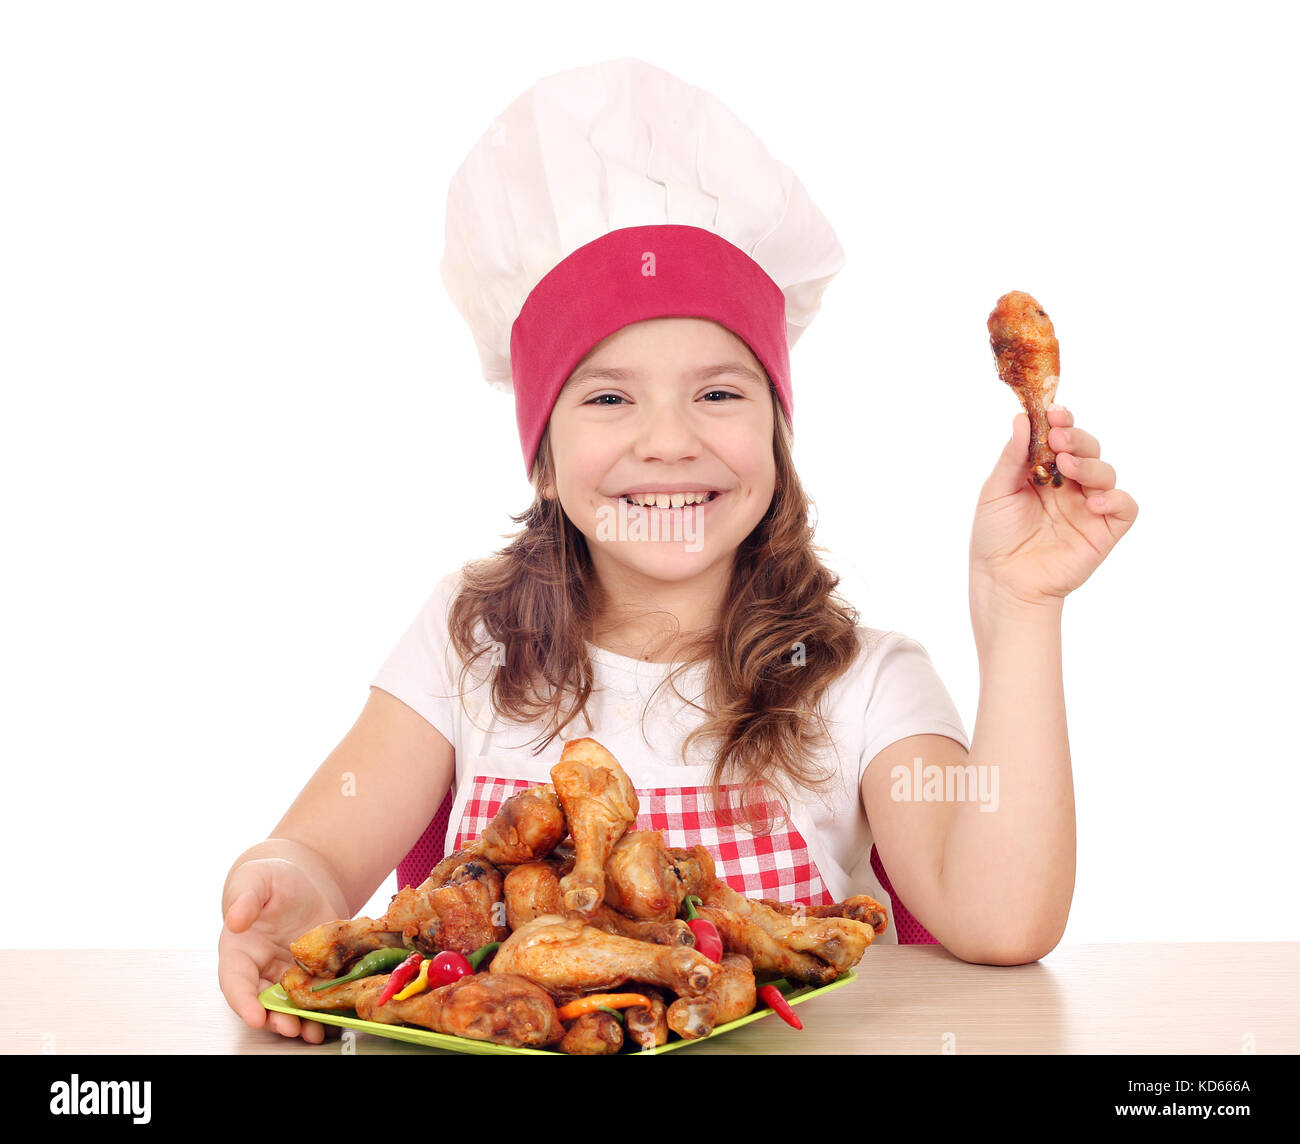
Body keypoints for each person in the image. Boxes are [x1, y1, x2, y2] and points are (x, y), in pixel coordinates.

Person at [219, 58, 1138, 1042]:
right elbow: (321, 847)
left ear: (777, 445)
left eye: (718, 391)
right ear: (541, 457)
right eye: (609, 396)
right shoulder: (466, 643)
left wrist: (1021, 608)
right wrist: (287, 882)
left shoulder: (860, 683)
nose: (668, 438)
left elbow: (1001, 917)